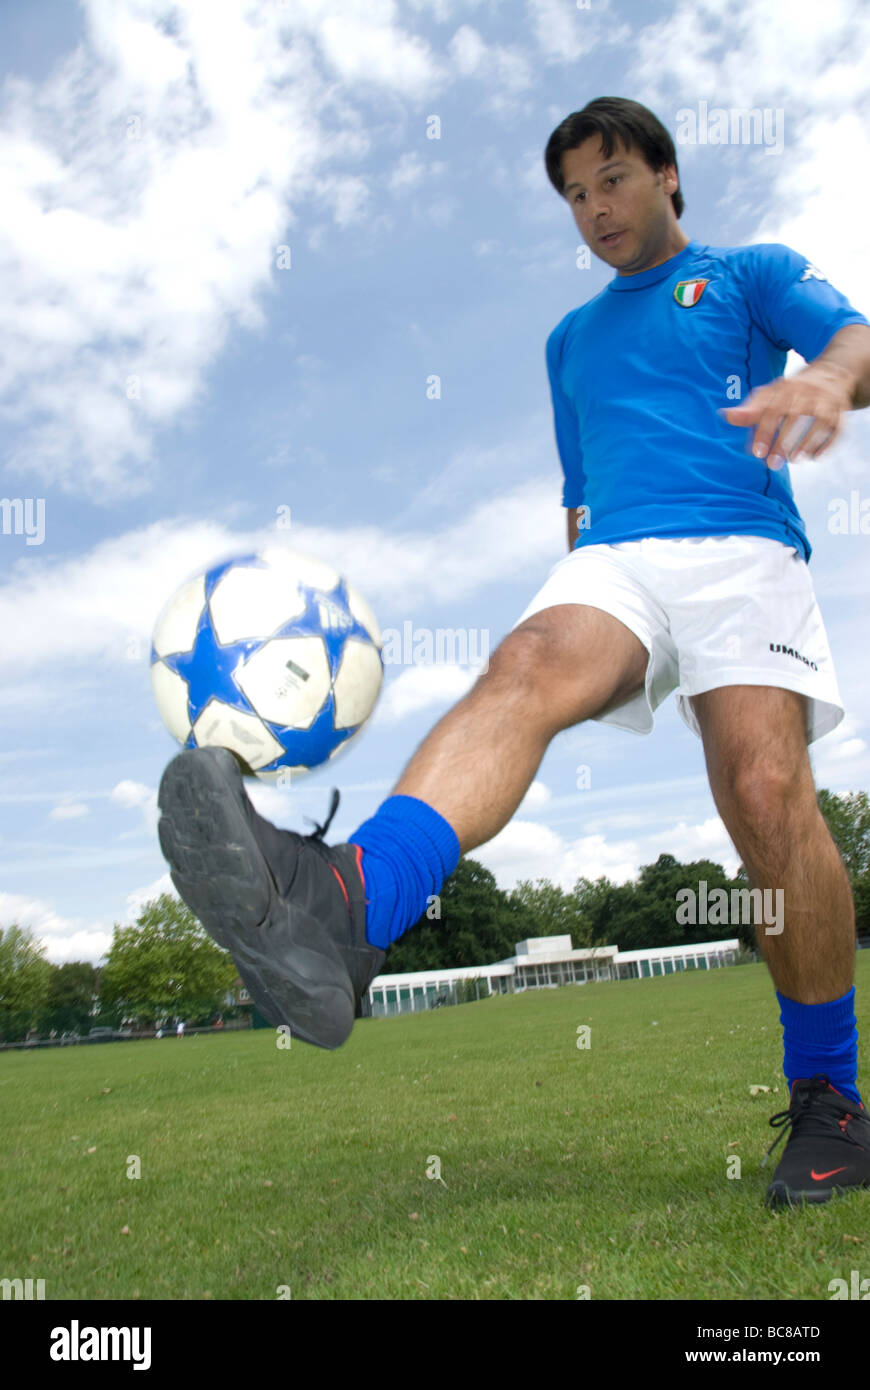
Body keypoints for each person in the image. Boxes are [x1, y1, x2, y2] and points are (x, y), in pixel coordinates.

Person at [158, 97, 870, 1209]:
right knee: (526, 661)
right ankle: (352, 905)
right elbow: (580, 497)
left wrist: (827, 379)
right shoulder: (569, 343)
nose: (596, 210)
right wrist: (583, 604)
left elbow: (856, 339)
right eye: (577, 196)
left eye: (614, 180)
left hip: (741, 548)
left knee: (765, 792)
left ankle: (831, 1101)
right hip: (621, 558)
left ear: (669, 176)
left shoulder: (747, 273)